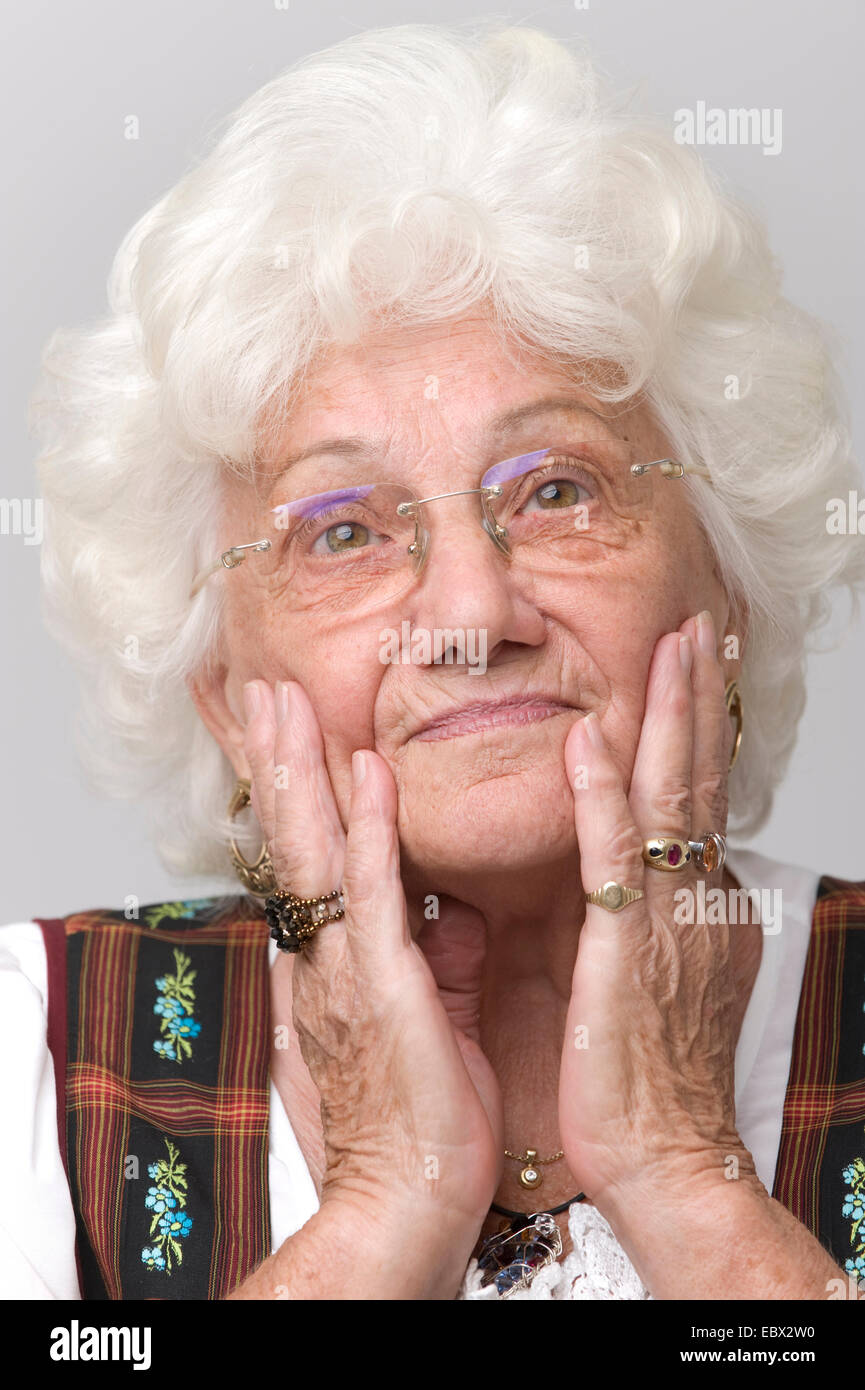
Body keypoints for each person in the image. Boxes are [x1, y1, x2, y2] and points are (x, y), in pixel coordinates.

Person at [3, 22, 864, 1301]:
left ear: (728, 581)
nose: (471, 609)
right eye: (341, 528)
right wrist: (377, 1212)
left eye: (560, 488)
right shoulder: (37, 1051)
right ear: (228, 697)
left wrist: (687, 1172)